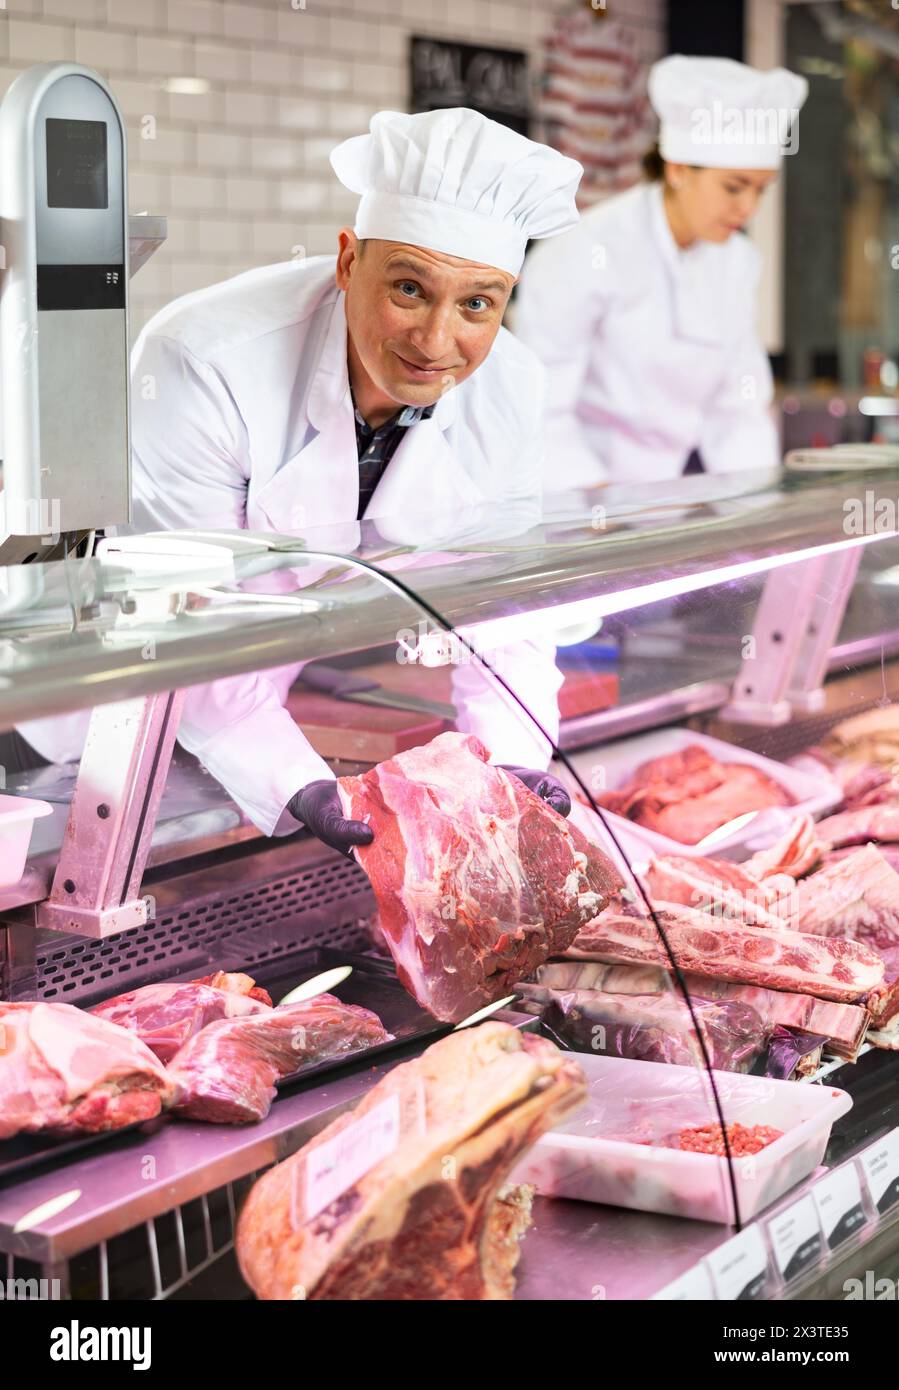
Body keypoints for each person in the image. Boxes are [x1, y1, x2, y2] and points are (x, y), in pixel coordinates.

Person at [18, 108, 583, 853]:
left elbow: (503, 598)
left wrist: (513, 754)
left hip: (264, 690)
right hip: (98, 721)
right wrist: (292, 780)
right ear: (349, 260)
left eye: (476, 303)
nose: (437, 340)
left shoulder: (509, 383)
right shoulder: (207, 360)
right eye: (409, 289)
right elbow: (185, 617)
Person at [515, 55, 809, 489]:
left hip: (671, 494)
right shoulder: (584, 250)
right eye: (734, 186)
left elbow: (738, 407)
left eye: (761, 190)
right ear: (677, 170)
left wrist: (755, 504)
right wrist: (597, 505)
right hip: (576, 498)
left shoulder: (737, 261)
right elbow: (539, 407)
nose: (748, 209)